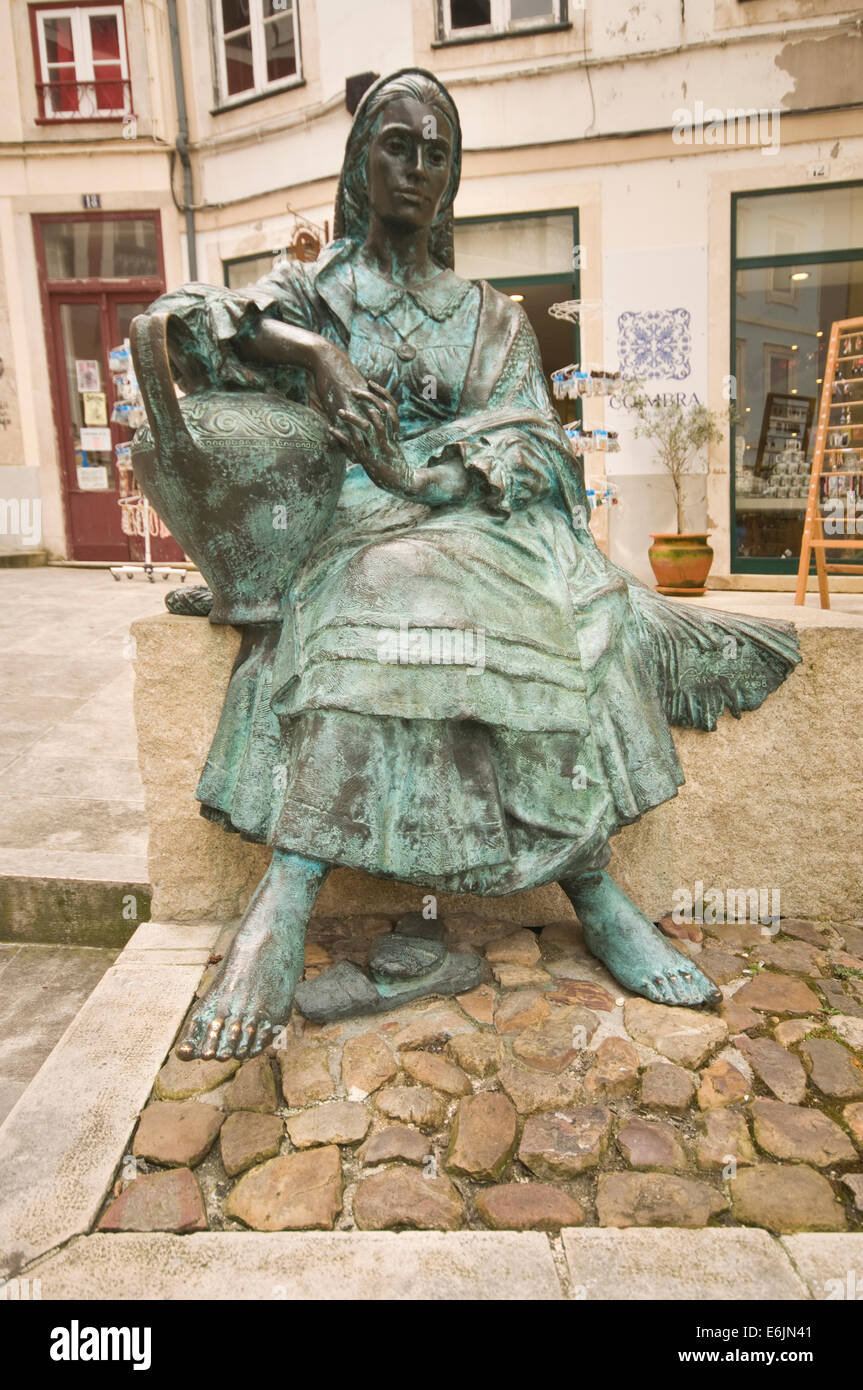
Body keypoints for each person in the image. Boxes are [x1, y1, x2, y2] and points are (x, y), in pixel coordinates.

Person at [144, 70, 799, 1061]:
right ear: (361, 164)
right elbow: (187, 323)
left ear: (451, 176)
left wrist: (433, 466)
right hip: (351, 519)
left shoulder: (490, 313)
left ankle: (589, 881)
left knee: (549, 605)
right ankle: (289, 884)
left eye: (433, 150)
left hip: (466, 508)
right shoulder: (312, 295)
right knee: (377, 585)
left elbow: (531, 441)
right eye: (393, 144)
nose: (414, 166)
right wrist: (318, 359)